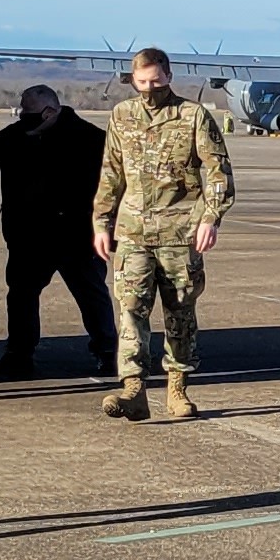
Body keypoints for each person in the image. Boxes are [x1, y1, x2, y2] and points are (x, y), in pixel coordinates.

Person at [91, 46, 235, 423]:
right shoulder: (121, 116)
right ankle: (133, 388)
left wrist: (210, 218)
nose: (149, 89)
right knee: (131, 310)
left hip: (180, 231)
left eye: (155, 81)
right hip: (133, 232)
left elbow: (219, 173)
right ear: (132, 80)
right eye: (141, 83)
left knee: (180, 311)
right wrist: (101, 223)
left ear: (169, 76)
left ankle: (177, 387)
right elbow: (111, 173)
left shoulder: (193, 117)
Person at [0, 83, 116, 376]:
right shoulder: (17, 136)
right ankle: (19, 355)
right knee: (21, 296)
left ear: (50, 111)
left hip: (77, 237)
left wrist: (109, 228)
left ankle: (109, 353)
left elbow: (116, 186)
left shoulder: (91, 139)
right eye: (22, 113)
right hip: (28, 238)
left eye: (30, 114)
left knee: (91, 295)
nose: (25, 119)